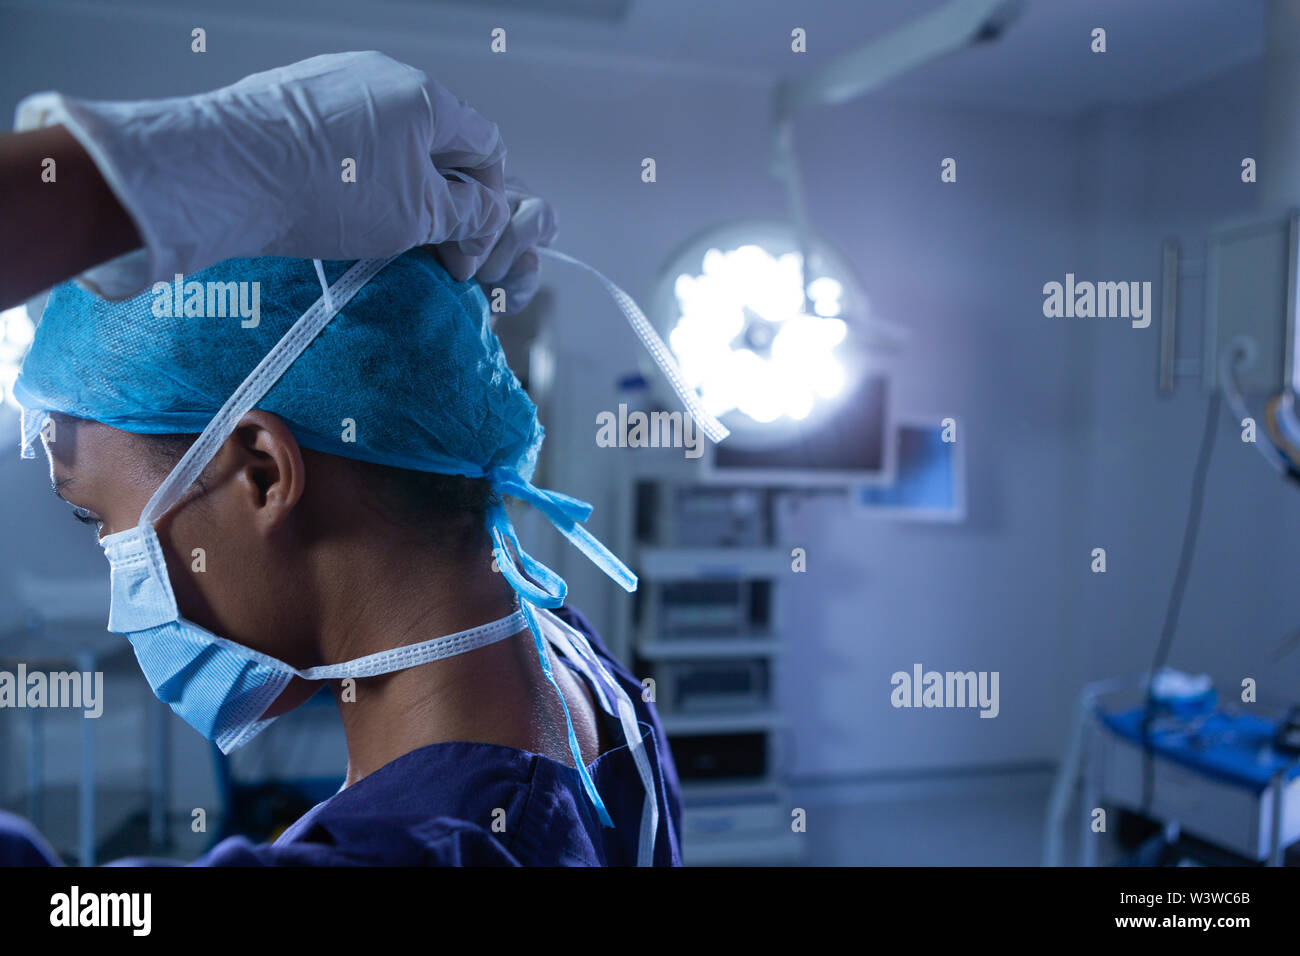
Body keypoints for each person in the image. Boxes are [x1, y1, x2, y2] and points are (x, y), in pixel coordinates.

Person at [0, 53, 683, 866]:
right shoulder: (568, 661)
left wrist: (131, 179)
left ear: (261, 472)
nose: (121, 590)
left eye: (97, 517)